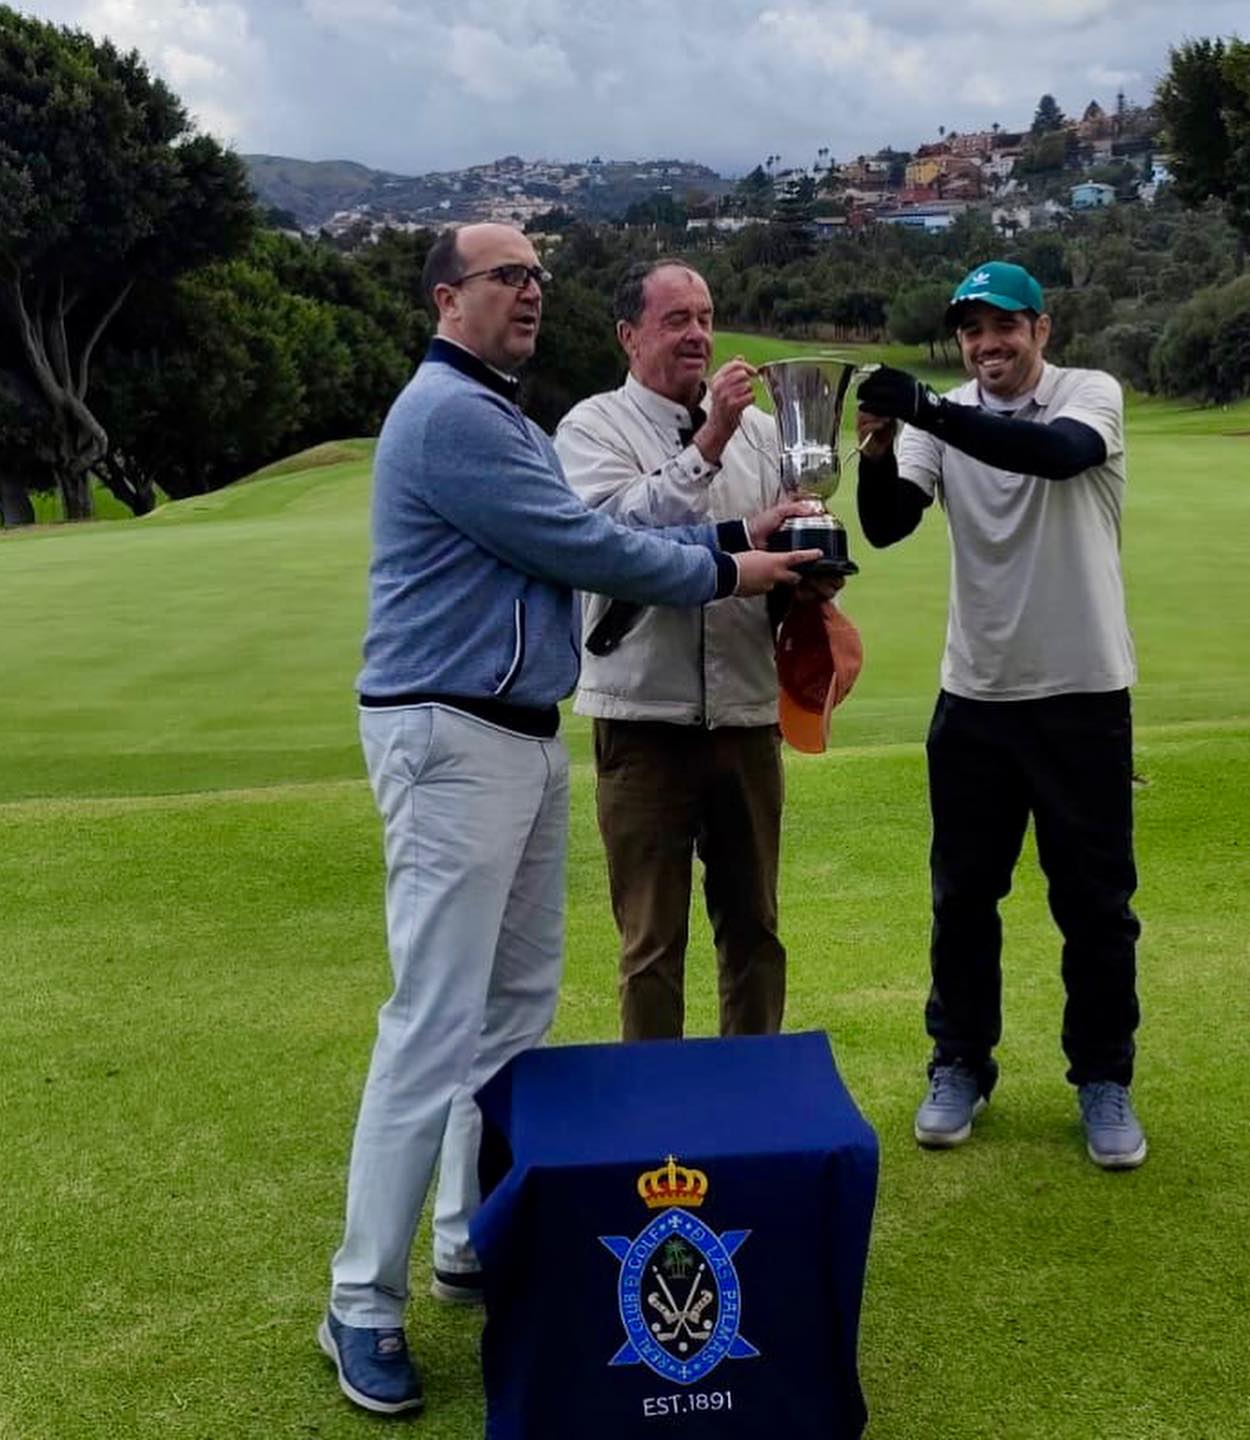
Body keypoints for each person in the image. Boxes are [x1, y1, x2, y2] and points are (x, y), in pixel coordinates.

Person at [321, 224, 818, 1416]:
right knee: (433, 1023)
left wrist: (727, 536)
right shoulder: (452, 415)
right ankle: (360, 1302)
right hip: (451, 733)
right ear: (448, 300)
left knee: (511, 1014)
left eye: (538, 276)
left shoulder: (498, 412)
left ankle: (466, 1236)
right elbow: (582, 545)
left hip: (516, 734)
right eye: (507, 276)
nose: (531, 291)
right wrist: (729, 570)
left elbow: (608, 534)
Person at [854, 260, 1145, 1171]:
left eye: (1005, 327)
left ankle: (1103, 1077)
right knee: (963, 901)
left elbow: (1055, 455)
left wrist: (927, 412)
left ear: (1041, 330)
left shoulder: (1089, 394)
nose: (988, 345)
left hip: (1082, 694)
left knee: (1095, 907)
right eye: (973, 331)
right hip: (975, 698)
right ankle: (960, 1063)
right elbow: (888, 524)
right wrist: (877, 449)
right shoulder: (940, 417)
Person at [554, 259, 842, 1042]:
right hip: (642, 716)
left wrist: (808, 580)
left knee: (755, 932)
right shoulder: (592, 428)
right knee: (652, 944)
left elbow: (785, 544)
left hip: (746, 714)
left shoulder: (767, 435)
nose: (698, 335)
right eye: (676, 319)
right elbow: (615, 538)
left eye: (706, 318)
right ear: (629, 335)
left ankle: (749, 1095)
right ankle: (658, 1104)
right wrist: (710, 438)